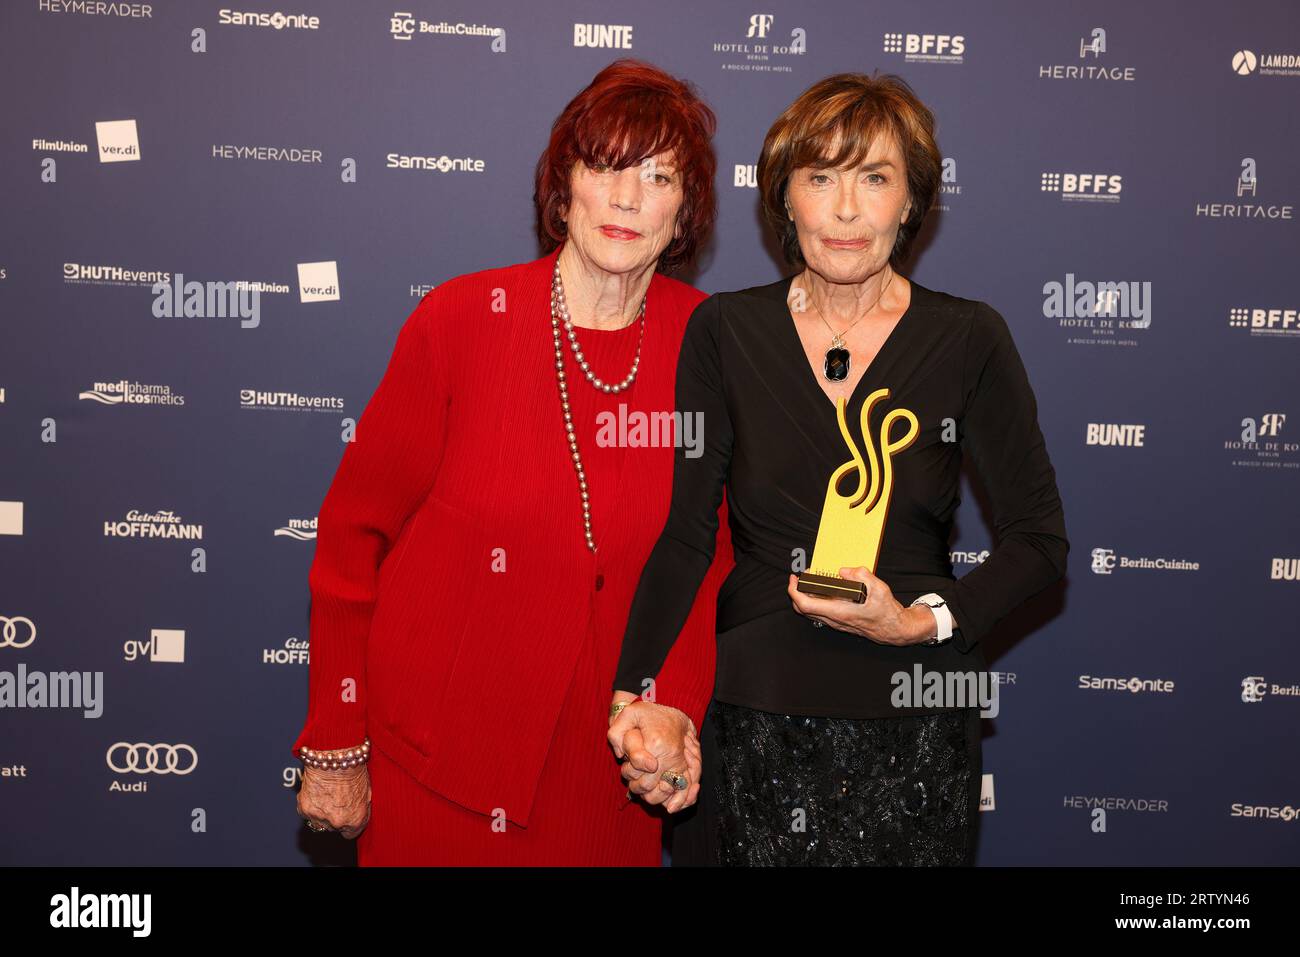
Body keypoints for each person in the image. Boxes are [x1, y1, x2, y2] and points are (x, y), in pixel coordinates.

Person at [607, 72, 1069, 865]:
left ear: (911, 202)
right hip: (753, 715)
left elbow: (1038, 543)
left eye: (875, 178)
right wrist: (632, 691)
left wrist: (920, 620)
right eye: (820, 178)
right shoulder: (726, 331)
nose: (847, 210)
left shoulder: (969, 338)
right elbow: (686, 537)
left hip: (916, 721)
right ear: (785, 199)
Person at [292, 58, 734, 865]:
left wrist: (671, 706)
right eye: (605, 167)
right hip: (437, 768)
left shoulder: (714, 345)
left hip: (609, 779)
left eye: (659, 175)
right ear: (564, 186)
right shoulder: (461, 321)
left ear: (686, 210)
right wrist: (333, 744)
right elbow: (353, 540)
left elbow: (716, 564)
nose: (629, 197)